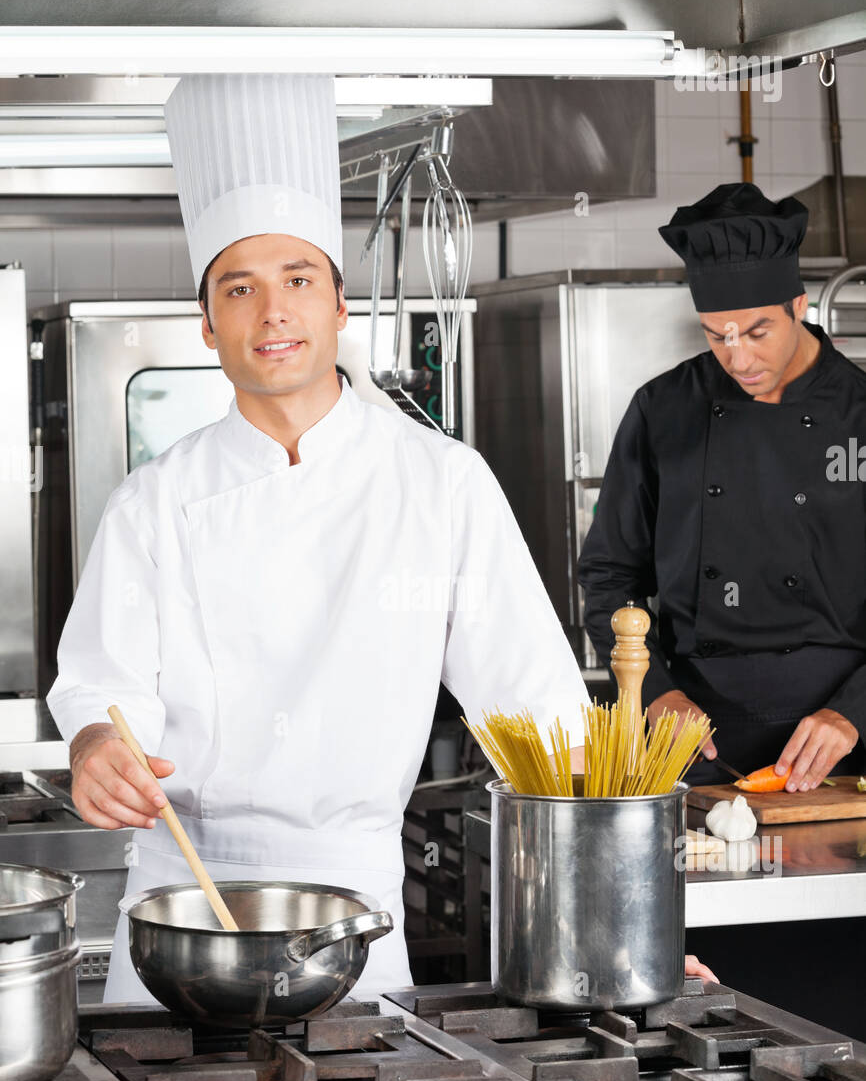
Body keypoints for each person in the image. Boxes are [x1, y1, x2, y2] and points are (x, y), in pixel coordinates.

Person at [46, 73, 597, 1004]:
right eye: (240, 288)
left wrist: (622, 925)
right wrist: (98, 742)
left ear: (339, 307)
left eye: (298, 280)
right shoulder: (152, 502)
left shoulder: (442, 484)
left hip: (350, 919)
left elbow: (543, 726)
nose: (273, 314)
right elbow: (105, 693)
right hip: (182, 902)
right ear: (208, 323)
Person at [578, 182, 866, 793]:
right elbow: (608, 578)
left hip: (846, 743)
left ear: (800, 305)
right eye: (716, 334)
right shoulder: (663, 409)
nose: (737, 357)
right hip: (697, 740)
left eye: (757, 332)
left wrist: (854, 714)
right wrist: (656, 692)